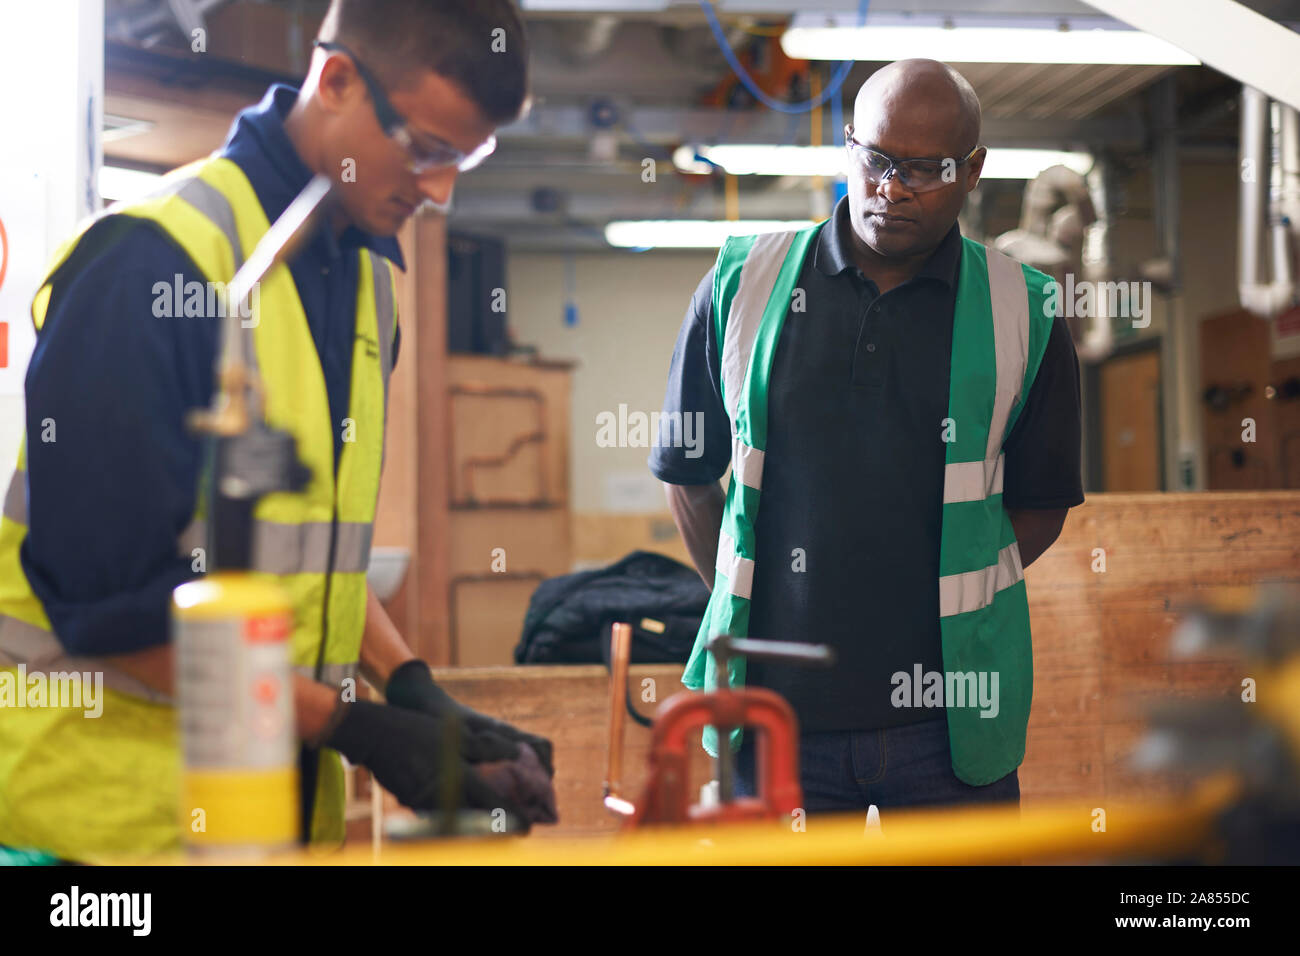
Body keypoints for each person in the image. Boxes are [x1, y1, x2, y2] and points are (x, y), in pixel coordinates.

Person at [0, 0, 555, 863]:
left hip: (265, 829)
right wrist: (352, 726)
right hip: (100, 838)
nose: (441, 190)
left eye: (465, 160)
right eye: (427, 148)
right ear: (336, 80)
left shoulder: (364, 283)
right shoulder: (150, 267)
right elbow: (107, 608)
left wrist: (409, 687)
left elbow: (305, 559)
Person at [650, 59, 1084, 814]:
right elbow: (689, 471)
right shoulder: (740, 284)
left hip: (948, 727)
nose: (892, 187)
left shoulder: (1027, 309)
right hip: (775, 718)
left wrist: (958, 591)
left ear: (973, 169)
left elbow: (1042, 503)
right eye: (876, 159)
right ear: (848, 146)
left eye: (926, 168)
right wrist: (748, 596)